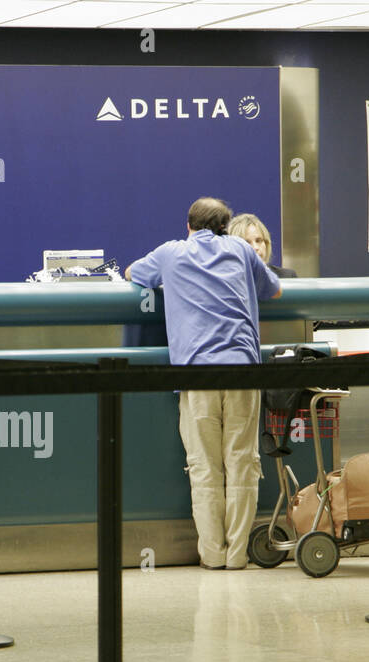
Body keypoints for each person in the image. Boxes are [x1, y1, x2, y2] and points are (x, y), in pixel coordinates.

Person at [125, 197, 282, 570]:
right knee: (242, 463)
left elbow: (133, 273)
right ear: (226, 227)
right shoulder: (241, 251)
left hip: (195, 374)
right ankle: (237, 555)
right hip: (243, 370)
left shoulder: (170, 253)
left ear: (188, 225)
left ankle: (211, 554)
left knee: (204, 468)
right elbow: (274, 289)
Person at [228, 212, 297, 278]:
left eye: (258, 241)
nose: (255, 247)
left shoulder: (287, 277)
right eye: (247, 243)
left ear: (266, 243)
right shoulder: (226, 282)